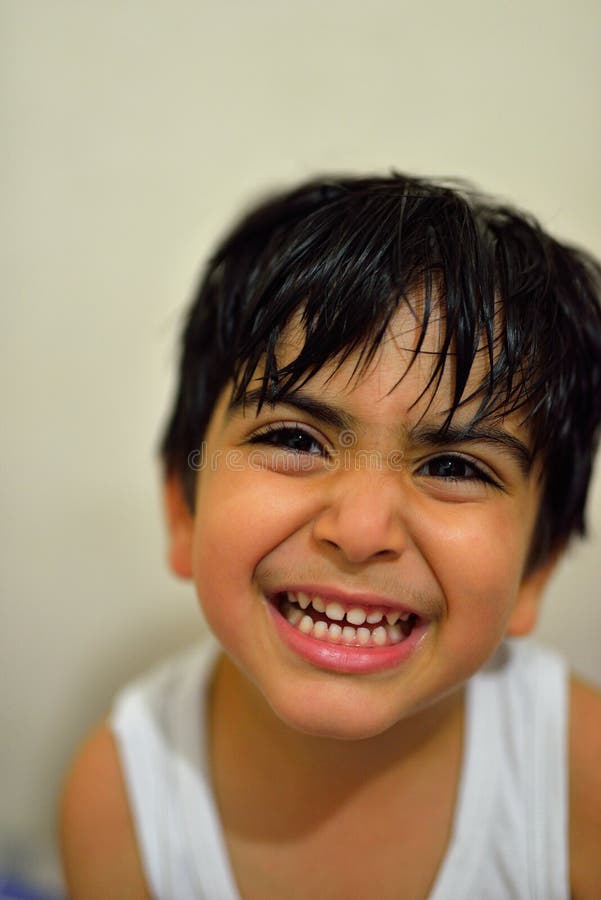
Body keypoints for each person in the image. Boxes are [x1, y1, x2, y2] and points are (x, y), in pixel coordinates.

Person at [60, 174, 601, 899]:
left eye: (451, 465)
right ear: (183, 509)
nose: (360, 530)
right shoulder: (121, 799)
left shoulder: (578, 775)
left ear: (537, 567)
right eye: (293, 438)